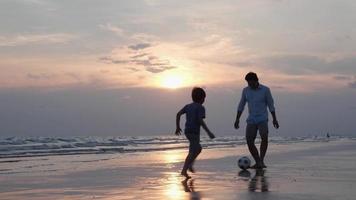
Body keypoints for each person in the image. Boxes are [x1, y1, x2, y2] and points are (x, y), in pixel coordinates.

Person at [234, 72, 279, 169]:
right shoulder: (246, 90)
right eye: (248, 83)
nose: (249, 85)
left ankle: (261, 160)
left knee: (264, 137)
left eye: (251, 83)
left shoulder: (265, 90)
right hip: (251, 119)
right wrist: (237, 119)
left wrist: (274, 119)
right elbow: (241, 104)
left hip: (262, 118)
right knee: (249, 140)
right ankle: (258, 161)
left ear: (256, 80)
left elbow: (271, 105)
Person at [175, 87, 215, 178]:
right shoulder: (201, 107)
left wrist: (177, 127)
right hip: (194, 132)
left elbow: (178, 114)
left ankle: (190, 165)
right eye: (204, 98)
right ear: (202, 98)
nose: (204, 100)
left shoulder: (188, 106)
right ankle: (184, 170)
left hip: (187, 131)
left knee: (197, 149)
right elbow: (200, 121)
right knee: (193, 151)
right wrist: (209, 132)